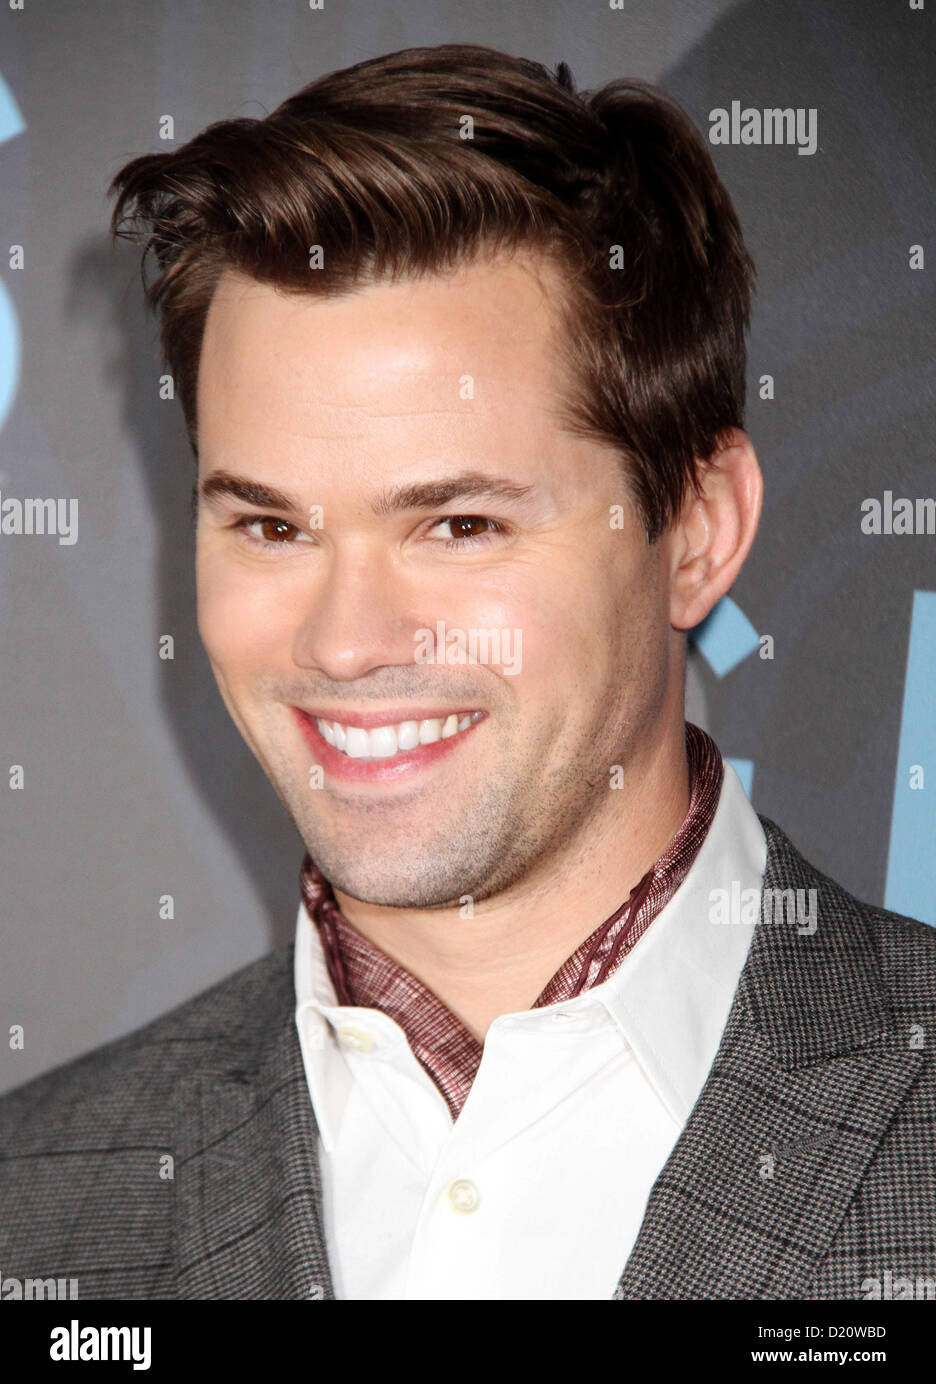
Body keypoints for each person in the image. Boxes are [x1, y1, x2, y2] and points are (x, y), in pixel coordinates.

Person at [1, 43, 933, 1302]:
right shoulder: (35, 1201)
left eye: (458, 525)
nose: (344, 642)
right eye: (273, 527)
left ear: (698, 530)